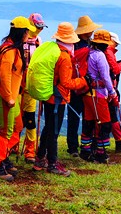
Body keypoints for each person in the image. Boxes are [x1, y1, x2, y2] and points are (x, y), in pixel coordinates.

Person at [34, 23, 88, 176]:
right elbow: (66, 83)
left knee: (49, 128)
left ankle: (39, 159)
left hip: (49, 96)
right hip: (58, 99)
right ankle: (52, 164)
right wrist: (84, 81)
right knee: (54, 132)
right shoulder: (63, 57)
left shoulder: (54, 50)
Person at [0, 17, 31, 181]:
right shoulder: (9, 51)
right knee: (5, 131)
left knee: (17, 126)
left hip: (14, 97)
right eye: (27, 32)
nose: (28, 35)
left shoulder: (14, 48)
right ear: (22, 32)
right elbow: (4, 76)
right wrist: (8, 97)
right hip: (6, 98)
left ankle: (3, 158)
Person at [67, 15, 101, 156]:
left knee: (77, 117)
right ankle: (79, 146)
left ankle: (76, 146)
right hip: (82, 84)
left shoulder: (75, 44)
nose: (92, 32)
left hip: (78, 84)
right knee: (83, 117)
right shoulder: (85, 45)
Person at [80, 30, 115, 164]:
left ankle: (86, 150)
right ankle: (101, 154)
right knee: (104, 124)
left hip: (86, 93)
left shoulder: (88, 52)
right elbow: (106, 77)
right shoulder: (100, 56)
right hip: (98, 94)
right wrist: (112, 92)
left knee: (89, 122)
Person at [18, 12, 46, 164]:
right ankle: (13, 145)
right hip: (17, 84)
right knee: (16, 117)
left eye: (41, 27)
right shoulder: (20, 38)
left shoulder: (38, 41)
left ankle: (30, 149)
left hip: (30, 85)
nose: (40, 30)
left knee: (29, 118)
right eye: (38, 26)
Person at [106, 32, 121, 153]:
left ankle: (119, 142)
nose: (116, 46)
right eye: (115, 43)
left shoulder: (103, 51)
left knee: (110, 117)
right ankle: (120, 142)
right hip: (109, 90)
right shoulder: (108, 52)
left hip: (106, 89)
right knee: (112, 117)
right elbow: (114, 69)